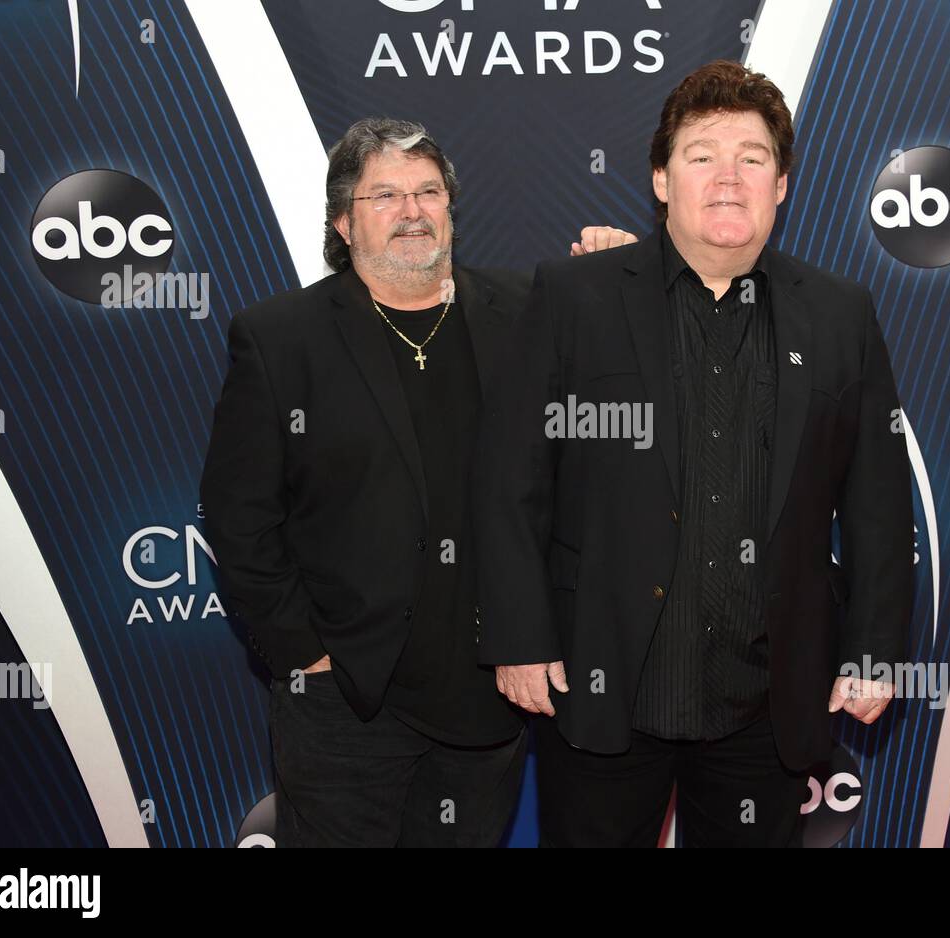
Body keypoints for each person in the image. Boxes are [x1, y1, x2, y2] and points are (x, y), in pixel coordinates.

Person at [474, 61, 914, 847]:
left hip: (766, 701)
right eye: (701, 154)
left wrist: (876, 651)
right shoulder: (577, 296)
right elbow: (512, 482)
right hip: (601, 685)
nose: (728, 177)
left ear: (781, 185)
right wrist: (518, 638)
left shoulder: (840, 314)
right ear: (660, 179)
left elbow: (878, 501)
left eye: (752, 157)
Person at [200, 117, 634, 847]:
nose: (412, 211)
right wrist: (307, 654)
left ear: (451, 211)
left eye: (429, 192)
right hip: (348, 703)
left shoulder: (526, 309)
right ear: (343, 222)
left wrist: (621, 268)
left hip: (490, 698)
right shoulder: (280, 338)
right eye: (385, 196)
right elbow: (239, 516)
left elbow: (633, 361)